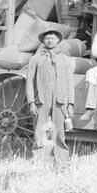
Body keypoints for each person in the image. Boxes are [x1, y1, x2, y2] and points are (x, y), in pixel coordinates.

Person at [23, 27, 75, 166]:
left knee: (59, 133)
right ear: (43, 41)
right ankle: (39, 162)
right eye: (47, 38)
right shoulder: (35, 59)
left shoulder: (65, 60)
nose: (50, 40)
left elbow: (70, 82)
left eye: (52, 37)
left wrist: (70, 103)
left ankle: (61, 164)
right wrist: (31, 102)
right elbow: (29, 82)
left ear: (58, 40)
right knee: (40, 131)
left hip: (60, 100)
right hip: (41, 99)